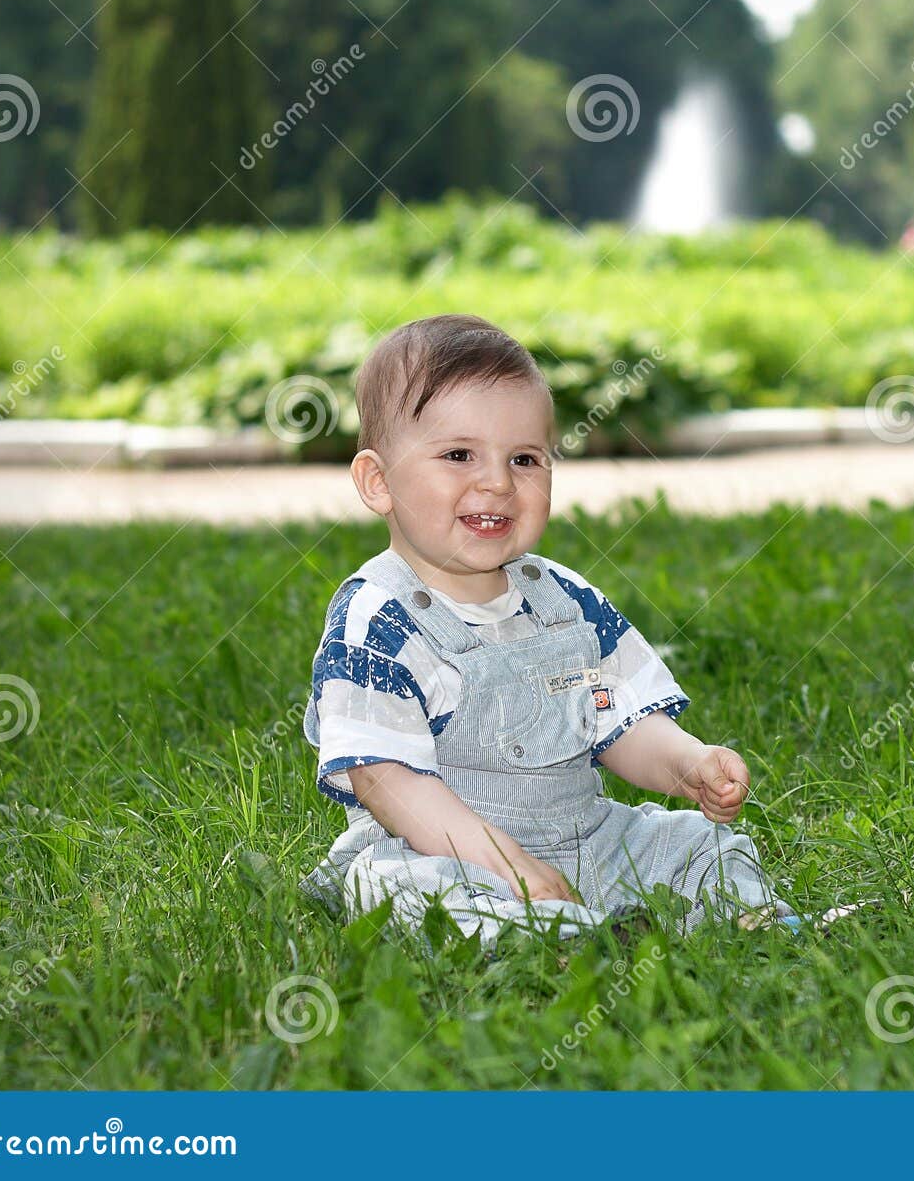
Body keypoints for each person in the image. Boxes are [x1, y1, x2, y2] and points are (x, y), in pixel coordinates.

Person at [298, 315, 842, 949]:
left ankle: (753, 924)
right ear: (378, 482)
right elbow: (387, 781)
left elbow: (619, 716)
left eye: (524, 459)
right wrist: (505, 864)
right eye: (458, 455)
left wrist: (685, 762)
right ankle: (569, 944)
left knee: (697, 845)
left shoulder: (564, 599)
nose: (498, 482)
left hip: (586, 836)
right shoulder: (378, 619)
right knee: (407, 894)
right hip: (439, 849)